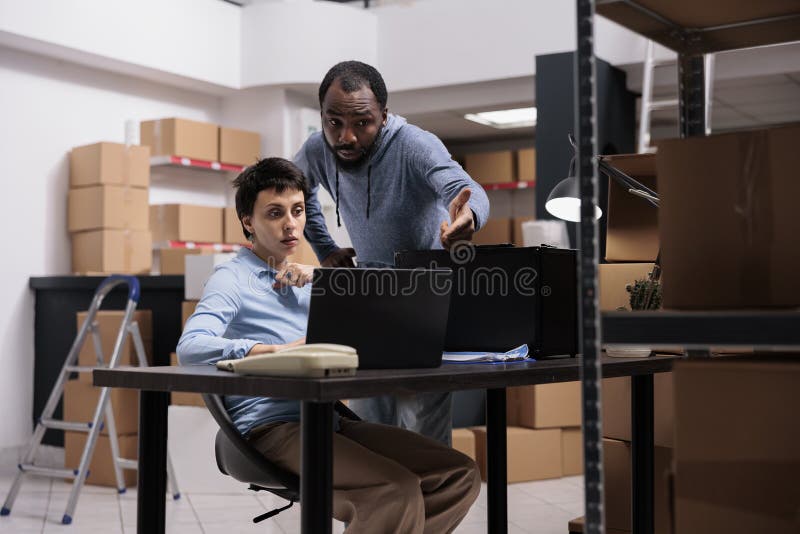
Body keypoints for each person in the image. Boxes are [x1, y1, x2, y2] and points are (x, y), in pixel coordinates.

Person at [177, 158, 480, 534]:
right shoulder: (232, 277)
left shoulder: (303, 278)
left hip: (326, 420)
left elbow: (368, 324)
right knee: (394, 491)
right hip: (270, 428)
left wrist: (323, 279)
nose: (290, 223)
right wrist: (273, 351)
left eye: (298, 210)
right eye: (275, 213)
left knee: (458, 473)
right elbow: (191, 346)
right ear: (248, 222)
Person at [295, 60, 491, 445]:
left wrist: (468, 216)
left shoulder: (415, 145)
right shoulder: (318, 148)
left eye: (362, 122)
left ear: (383, 116)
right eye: (333, 122)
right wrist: (325, 248)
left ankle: (433, 503)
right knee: (371, 425)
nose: (345, 137)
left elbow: (467, 189)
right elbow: (294, 190)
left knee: (422, 427)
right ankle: (388, 503)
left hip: (425, 296)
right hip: (367, 293)